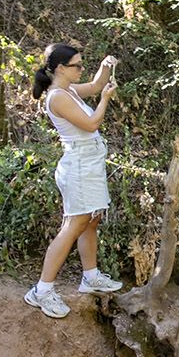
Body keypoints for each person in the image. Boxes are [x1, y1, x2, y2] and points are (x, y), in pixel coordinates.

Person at [25, 43, 123, 318]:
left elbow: (92, 86)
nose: (82, 69)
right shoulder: (57, 97)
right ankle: (41, 291)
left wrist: (105, 69)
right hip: (78, 166)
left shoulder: (68, 89)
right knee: (74, 224)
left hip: (88, 164)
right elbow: (91, 123)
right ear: (60, 69)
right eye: (77, 65)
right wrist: (105, 99)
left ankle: (90, 277)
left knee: (92, 219)